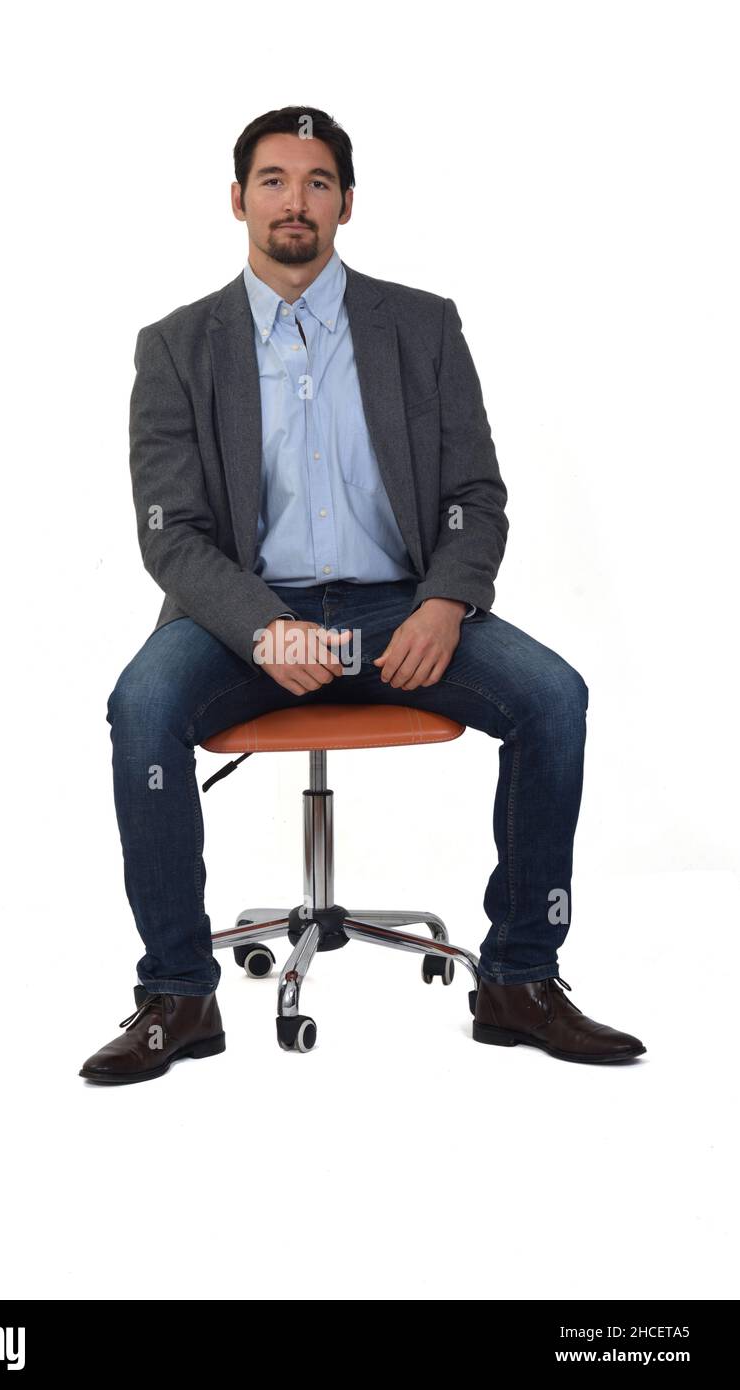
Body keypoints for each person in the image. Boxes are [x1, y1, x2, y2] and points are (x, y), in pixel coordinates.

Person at [79, 106, 646, 1083]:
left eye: (314, 181)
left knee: (553, 697)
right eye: (271, 180)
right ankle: (176, 993)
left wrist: (444, 601)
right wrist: (264, 627)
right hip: (241, 613)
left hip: (398, 608)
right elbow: (170, 534)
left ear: (345, 200)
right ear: (235, 199)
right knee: (141, 706)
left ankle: (518, 975)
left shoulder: (419, 326)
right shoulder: (175, 346)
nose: (292, 201)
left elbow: (474, 493)